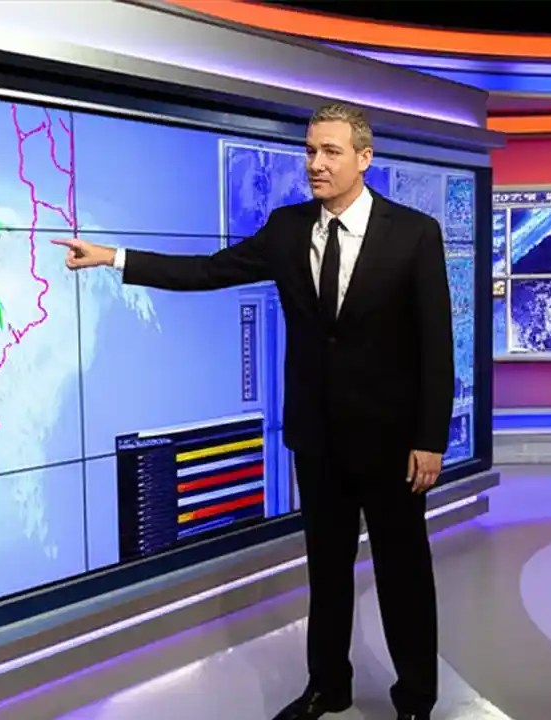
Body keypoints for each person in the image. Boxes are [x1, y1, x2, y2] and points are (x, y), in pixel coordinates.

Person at [56, 102, 453, 720]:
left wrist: (430, 438)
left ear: (364, 159)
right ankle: (329, 685)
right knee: (327, 570)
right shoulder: (288, 227)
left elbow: (436, 343)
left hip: (392, 443)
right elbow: (211, 271)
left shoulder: (414, 233)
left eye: (331, 152)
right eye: (310, 150)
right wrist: (116, 258)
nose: (316, 164)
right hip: (317, 440)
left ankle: (416, 699)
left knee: (405, 575)